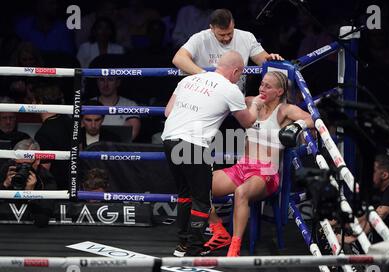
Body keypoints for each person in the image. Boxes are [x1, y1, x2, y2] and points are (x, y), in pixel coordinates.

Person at [204, 71, 314, 256]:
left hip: (266, 173)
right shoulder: (251, 102)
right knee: (198, 183)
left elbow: (313, 118)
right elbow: (225, 96)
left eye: (268, 87)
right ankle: (219, 230)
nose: (262, 89)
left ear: (279, 92)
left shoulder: (284, 110)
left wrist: (297, 126)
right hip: (241, 168)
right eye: (262, 84)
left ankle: (235, 248)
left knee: (241, 193)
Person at [162, 50, 259, 257]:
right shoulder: (230, 89)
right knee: (201, 198)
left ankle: (183, 245)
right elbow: (247, 122)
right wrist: (256, 104)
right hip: (194, 143)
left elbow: (168, 112)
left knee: (185, 194)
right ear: (235, 71)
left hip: (169, 138)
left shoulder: (190, 79)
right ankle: (194, 248)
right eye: (240, 75)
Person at [172, 8, 283, 91]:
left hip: (234, 100)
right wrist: (205, 74)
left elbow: (263, 60)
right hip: (207, 97)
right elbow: (179, 58)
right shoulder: (200, 38)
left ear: (233, 24)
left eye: (230, 33)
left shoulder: (246, 37)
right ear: (212, 28)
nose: (227, 38)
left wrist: (272, 60)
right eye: (221, 35)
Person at [0, 138, 57, 227]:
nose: (22, 168)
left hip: (30, 235)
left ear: (37, 161)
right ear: (13, 160)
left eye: (26, 165)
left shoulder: (46, 179)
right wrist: (4, 185)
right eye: (19, 164)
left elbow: (41, 221)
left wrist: (30, 195)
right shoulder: (5, 170)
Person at [93, 76, 141, 141]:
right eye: (102, 80)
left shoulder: (130, 105)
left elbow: (128, 137)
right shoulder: (87, 104)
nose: (105, 84)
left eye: (110, 79)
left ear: (118, 82)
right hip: (93, 149)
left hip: (119, 149)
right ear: (97, 82)